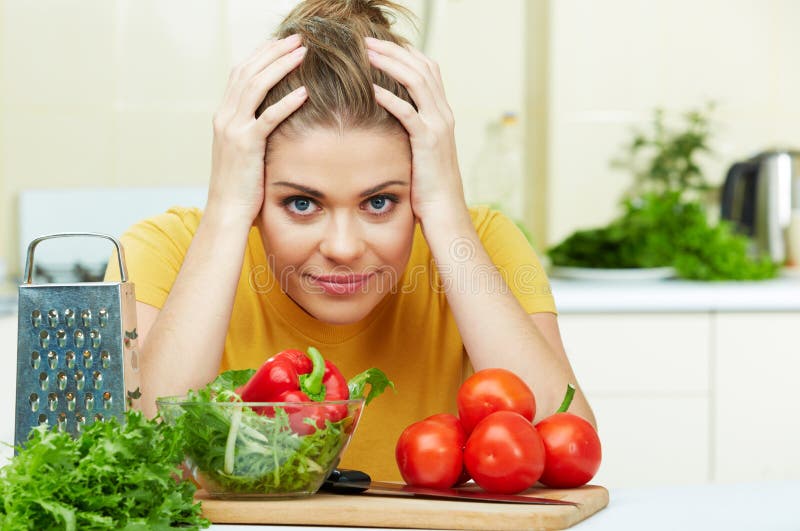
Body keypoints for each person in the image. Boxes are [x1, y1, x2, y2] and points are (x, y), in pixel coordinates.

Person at [108, 0, 596, 481]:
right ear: (252, 184)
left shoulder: (481, 242)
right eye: (302, 204)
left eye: (380, 202)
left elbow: (560, 448)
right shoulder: (161, 251)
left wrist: (447, 212)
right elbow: (144, 462)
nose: (342, 248)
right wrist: (226, 211)